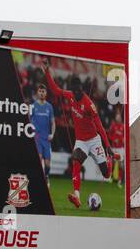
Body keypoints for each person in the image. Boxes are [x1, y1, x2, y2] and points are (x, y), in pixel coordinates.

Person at [39, 58, 112, 208]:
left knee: (106, 174)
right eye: (74, 91)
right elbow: (55, 90)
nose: (76, 93)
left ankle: (109, 160)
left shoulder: (89, 105)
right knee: (76, 162)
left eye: (78, 91)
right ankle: (77, 197)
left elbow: (99, 126)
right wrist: (47, 71)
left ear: (82, 90)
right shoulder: (70, 95)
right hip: (81, 141)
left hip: (94, 140)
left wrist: (108, 146)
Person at [29, 80, 56, 178]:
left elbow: (53, 123)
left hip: (46, 139)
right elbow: (28, 122)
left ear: (46, 93)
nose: (41, 93)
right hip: (37, 137)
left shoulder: (49, 107)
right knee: (39, 158)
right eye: (40, 91)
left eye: (43, 91)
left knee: (47, 164)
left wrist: (52, 134)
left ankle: (46, 176)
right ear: (37, 92)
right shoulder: (32, 106)